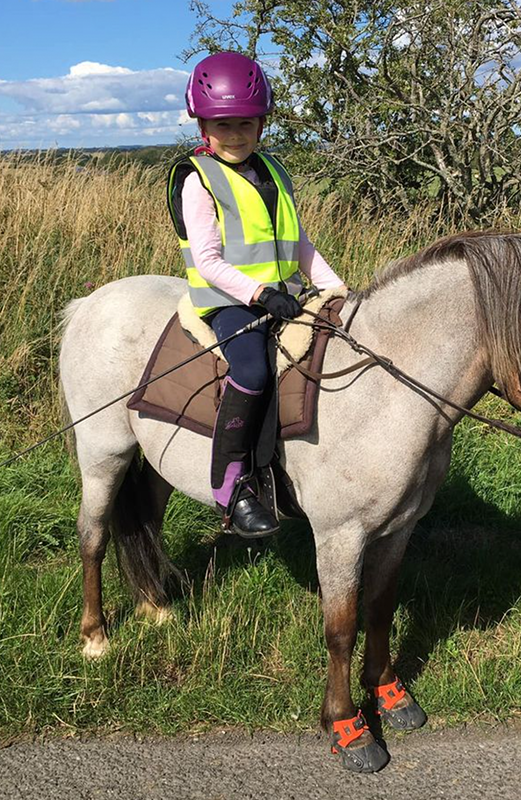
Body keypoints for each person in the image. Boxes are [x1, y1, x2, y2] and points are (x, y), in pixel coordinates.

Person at [166, 51, 346, 538]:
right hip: (229, 302)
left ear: (261, 123)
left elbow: (298, 242)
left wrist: (335, 287)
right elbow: (208, 260)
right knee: (252, 369)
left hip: (283, 297)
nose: (235, 135)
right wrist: (262, 295)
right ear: (203, 125)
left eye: (246, 124)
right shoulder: (198, 180)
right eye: (222, 125)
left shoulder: (274, 172)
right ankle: (232, 486)